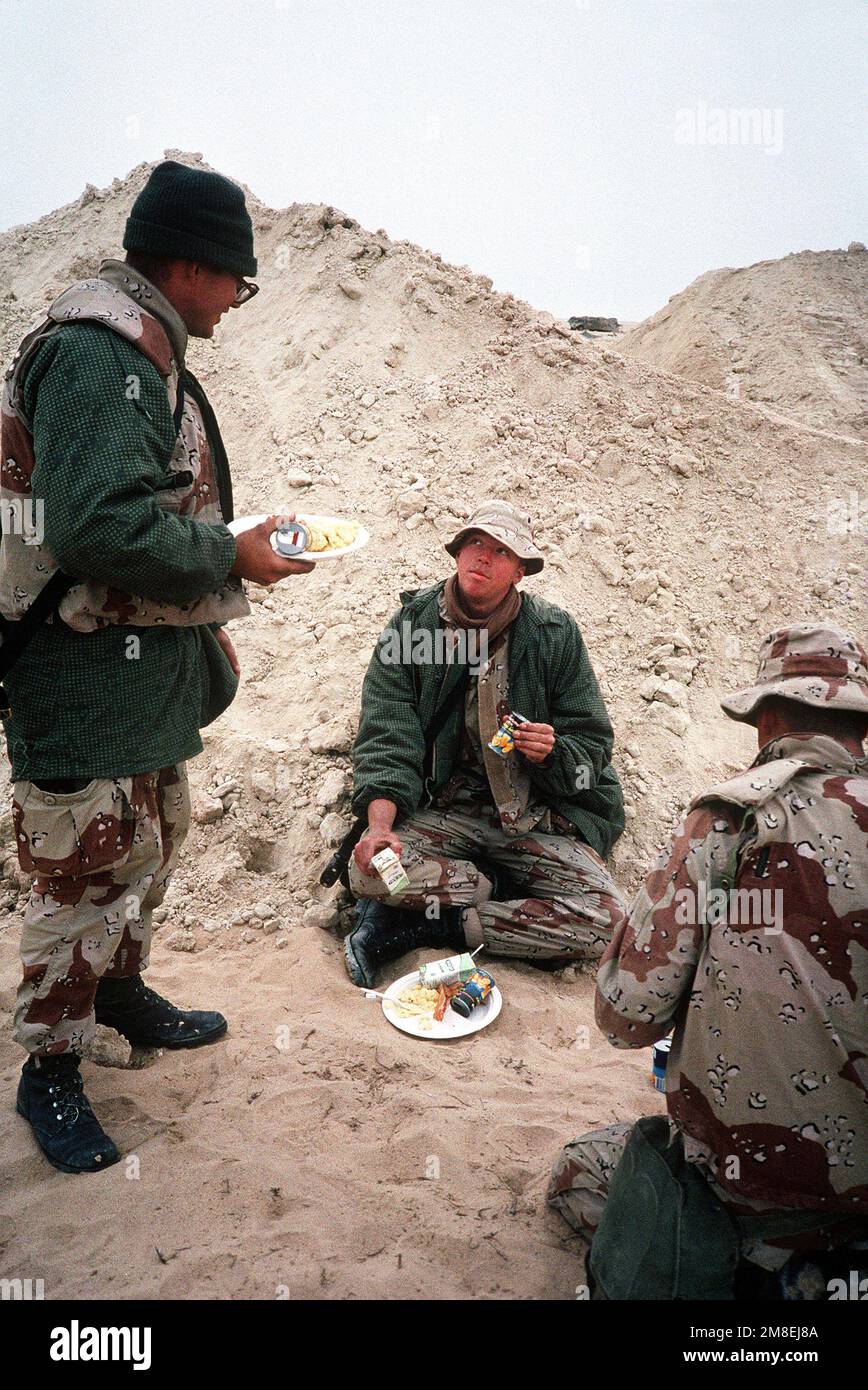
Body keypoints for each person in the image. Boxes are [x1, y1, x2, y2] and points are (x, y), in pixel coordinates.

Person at [0, 160, 313, 1174]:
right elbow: (94, 526)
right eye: (235, 282)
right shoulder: (98, 354)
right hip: (79, 678)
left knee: (151, 841)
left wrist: (211, 589)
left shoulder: (144, 347)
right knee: (83, 870)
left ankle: (122, 993)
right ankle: (48, 1067)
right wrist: (231, 555)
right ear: (188, 267)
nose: (236, 302)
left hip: (137, 670)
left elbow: (147, 504)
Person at [548, 624, 868, 1299]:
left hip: (749, 1195)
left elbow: (626, 1017)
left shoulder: (730, 818)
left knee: (578, 1174)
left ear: (766, 718)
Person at [344, 498, 626, 988]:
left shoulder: (554, 634)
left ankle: (446, 922)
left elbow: (593, 742)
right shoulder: (413, 628)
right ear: (457, 552)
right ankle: (494, 886)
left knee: (610, 922)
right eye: (475, 543)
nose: (483, 557)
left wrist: (553, 753)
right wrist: (380, 827)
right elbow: (388, 733)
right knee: (370, 873)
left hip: (532, 815)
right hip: (445, 811)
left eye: (501, 551)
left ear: (519, 571)